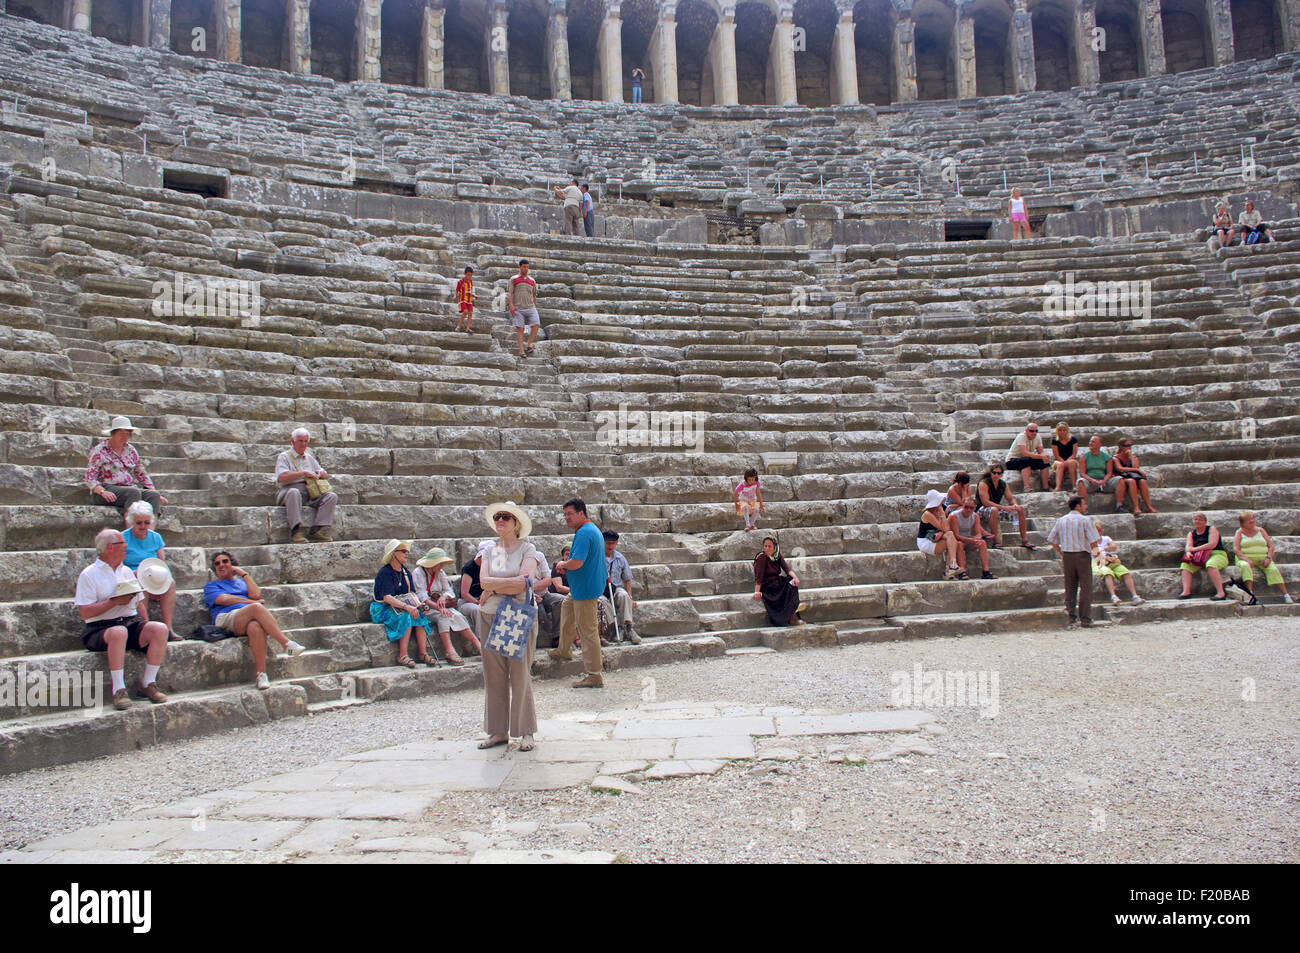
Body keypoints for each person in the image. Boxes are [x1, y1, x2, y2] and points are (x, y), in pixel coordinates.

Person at [75, 529, 171, 710]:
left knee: (159, 629)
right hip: (100, 627)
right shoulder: (89, 574)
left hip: (130, 621)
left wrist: (146, 625)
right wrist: (113, 602)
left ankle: (148, 683)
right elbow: (85, 613)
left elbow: (139, 603)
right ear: (110, 547)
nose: (127, 546)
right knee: (119, 632)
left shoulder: (126, 570)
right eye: (122, 543)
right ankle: (119, 689)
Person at [477, 502, 543, 750]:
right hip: (490, 612)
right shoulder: (490, 551)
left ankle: (525, 730)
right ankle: (498, 730)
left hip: (515, 612)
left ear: (516, 523)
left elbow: (523, 583)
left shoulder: (528, 549)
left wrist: (495, 586)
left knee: (519, 673)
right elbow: (483, 581)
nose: (500, 521)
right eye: (497, 517)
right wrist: (500, 584)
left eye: (505, 517)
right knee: (493, 675)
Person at [205, 551, 305, 689]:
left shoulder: (241, 582)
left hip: (245, 617)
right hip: (226, 618)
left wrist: (244, 574)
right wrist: (250, 602)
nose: (221, 565)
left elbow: (256, 594)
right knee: (256, 607)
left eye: (225, 561)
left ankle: (261, 675)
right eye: (217, 563)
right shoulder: (212, 586)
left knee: (255, 627)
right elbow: (223, 599)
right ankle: (286, 643)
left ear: (232, 564)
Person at [547, 498, 608, 689]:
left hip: (585, 590)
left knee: (588, 632)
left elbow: (577, 562)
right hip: (582, 587)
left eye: (570, 514)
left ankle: (594, 674)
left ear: (581, 513)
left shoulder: (583, 533)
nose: (566, 518)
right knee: (567, 609)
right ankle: (564, 649)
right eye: (565, 514)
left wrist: (562, 565)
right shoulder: (591, 530)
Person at [369, 539, 437, 669]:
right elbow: (387, 597)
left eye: (407, 551)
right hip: (382, 607)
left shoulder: (405, 572)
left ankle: (423, 653)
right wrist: (407, 607)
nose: (407, 554)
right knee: (406, 615)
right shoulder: (385, 572)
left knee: (420, 615)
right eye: (403, 551)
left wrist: (419, 606)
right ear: (394, 554)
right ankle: (402, 654)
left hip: (401, 604)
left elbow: (411, 593)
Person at [84, 415, 166, 516]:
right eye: (121, 433)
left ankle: (149, 529)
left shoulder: (130, 450)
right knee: (133, 492)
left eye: (127, 434)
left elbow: (141, 472)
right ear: (113, 434)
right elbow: (90, 478)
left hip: (127, 488)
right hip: (105, 489)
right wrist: (102, 491)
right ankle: (131, 527)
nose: (124, 437)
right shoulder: (100, 450)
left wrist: (152, 489)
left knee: (153, 495)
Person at [412, 547, 481, 665]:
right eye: (440, 564)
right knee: (443, 616)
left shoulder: (440, 573)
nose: (441, 567)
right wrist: (438, 607)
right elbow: (421, 595)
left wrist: (443, 597)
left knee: (456, 615)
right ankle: (449, 650)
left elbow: (448, 590)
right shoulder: (419, 573)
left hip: (441, 605)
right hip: (427, 607)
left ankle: (478, 645)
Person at [121, 501, 178, 641]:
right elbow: (119, 564)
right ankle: (144, 628)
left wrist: (159, 581)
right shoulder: (123, 537)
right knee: (142, 584)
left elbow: (161, 562)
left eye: (146, 523)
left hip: (153, 573)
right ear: (132, 521)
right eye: (138, 523)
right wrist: (133, 573)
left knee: (170, 584)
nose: (143, 526)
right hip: (132, 575)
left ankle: (169, 628)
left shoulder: (155, 537)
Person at [275, 428, 337, 543]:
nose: (303, 444)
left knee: (331, 496)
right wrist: (303, 474)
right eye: (300, 441)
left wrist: (321, 474)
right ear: (293, 442)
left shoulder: (309, 458)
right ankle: (295, 531)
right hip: (289, 492)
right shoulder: (284, 457)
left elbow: (324, 474)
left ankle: (316, 530)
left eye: (305, 441)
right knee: (294, 492)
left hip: (309, 492)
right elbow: (281, 477)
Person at [1047, 496, 1100, 628]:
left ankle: (1071, 616)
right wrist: (1098, 558)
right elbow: (1093, 541)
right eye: (1084, 504)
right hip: (1082, 555)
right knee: (1086, 587)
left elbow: (1052, 539)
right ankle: (1085, 618)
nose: (1085, 506)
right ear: (1078, 506)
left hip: (1068, 556)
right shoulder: (1085, 520)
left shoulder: (1061, 520)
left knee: (1070, 586)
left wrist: (1061, 552)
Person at [1232, 512, 1292, 605]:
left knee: (1273, 569)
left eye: (1252, 518)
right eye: (1249, 520)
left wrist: (1268, 558)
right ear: (1243, 523)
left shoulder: (1261, 531)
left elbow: (1271, 546)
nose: (1252, 521)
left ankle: (1286, 594)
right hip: (1245, 558)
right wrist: (1246, 559)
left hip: (1263, 558)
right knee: (1245, 566)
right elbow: (1236, 549)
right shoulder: (1239, 532)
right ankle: (1250, 593)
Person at [976, 467, 1035, 550]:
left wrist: (1015, 505)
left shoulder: (1003, 484)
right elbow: (985, 502)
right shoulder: (984, 483)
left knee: (1020, 509)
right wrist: (1004, 507)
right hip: (982, 509)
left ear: (1001, 475)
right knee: (994, 510)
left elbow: (1010, 498)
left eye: (999, 473)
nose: (996, 475)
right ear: (991, 473)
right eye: (994, 472)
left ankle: (1024, 540)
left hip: (997, 507)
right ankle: (996, 541)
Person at [599, 530, 640, 644]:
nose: (610, 546)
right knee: (601, 600)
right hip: (601, 589)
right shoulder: (597, 557)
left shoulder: (620, 558)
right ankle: (614, 628)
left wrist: (630, 597)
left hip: (616, 587)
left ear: (617, 543)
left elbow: (627, 580)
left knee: (623, 595)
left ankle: (628, 627)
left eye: (613, 543)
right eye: (608, 543)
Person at [753, 536, 805, 624]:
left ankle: (794, 609)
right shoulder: (761, 557)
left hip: (777, 581)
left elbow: (787, 568)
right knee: (782, 590)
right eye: (765, 546)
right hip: (768, 585)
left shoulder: (777, 555)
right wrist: (757, 591)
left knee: (792, 581)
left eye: (769, 546)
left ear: (774, 548)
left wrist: (795, 578)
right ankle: (794, 616)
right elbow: (759, 576)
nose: (767, 548)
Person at [1178, 512, 1229, 601]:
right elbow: (1188, 547)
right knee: (1185, 565)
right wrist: (1189, 553)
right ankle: (1186, 592)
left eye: (1200, 520)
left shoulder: (1211, 529)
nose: (1197, 521)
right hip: (1200, 556)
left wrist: (1194, 549)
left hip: (1216, 554)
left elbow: (1212, 544)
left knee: (1211, 564)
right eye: (1196, 519)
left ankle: (1221, 592)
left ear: (1205, 522)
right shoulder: (1191, 533)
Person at [1091, 521, 1143, 605]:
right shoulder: (1091, 541)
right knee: (1108, 573)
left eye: (1099, 530)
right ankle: (1113, 596)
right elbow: (1094, 553)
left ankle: (1135, 596)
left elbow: (1113, 546)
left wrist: (1105, 550)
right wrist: (1105, 557)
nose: (1098, 533)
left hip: (1109, 561)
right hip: (1097, 561)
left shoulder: (1106, 538)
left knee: (1125, 572)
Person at [948, 497, 996, 579]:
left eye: (971, 508)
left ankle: (986, 571)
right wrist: (971, 540)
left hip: (968, 540)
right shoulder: (954, 516)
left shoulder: (975, 516)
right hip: (956, 541)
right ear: (962, 506)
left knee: (982, 543)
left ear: (975, 508)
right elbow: (956, 535)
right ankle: (962, 571)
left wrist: (977, 539)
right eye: (966, 507)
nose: (968, 510)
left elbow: (978, 533)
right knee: (960, 544)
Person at [919, 489, 962, 579]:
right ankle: (950, 569)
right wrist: (942, 513)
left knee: (950, 536)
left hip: (937, 536)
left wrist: (942, 532)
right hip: (926, 542)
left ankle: (952, 566)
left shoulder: (941, 508)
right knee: (951, 542)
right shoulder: (927, 514)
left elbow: (946, 530)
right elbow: (944, 528)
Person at [1111, 438, 1157, 514]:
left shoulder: (1133, 457)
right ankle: (1136, 507)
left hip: (1133, 476)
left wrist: (1131, 457)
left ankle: (1149, 506)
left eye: (1130, 445)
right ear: (1121, 447)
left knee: (1142, 481)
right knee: (1131, 482)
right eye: (1127, 445)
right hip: (1122, 478)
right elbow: (1120, 469)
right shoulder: (1115, 458)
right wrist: (1136, 470)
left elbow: (1136, 466)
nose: (1129, 447)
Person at [1075, 435, 1123, 506]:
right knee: (1081, 482)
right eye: (1090, 441)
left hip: (1103, 482)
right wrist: (1092, 480)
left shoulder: (1107, 457)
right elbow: (1082, 473)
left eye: (1093, 442)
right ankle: (1084, 507)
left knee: (1120, 480)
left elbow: (1109, 473)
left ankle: (1119, 505)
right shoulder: (1084, 457)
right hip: (1090, 482)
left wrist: (1104, 480)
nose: (1090, 443)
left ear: (1100, 444)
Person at [508, 259, 541, 358]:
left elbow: (534, 295)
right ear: (520, 267)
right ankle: (521, 350)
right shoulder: (513, 279)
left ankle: (529, 344)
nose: (526, 269)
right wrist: (511, 306)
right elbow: (510, 293)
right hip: (518, 307)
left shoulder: (532, 280)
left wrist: (534, 305)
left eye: (527, 267)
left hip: (530, 307)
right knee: (520, 329)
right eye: (524, 267)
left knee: (536, 324)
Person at [539, 545, 570, 649]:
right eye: (567, 554)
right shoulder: (558, 566)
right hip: (527, 594)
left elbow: (547, 581)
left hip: (544, 594)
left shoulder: (539, 557)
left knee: (561, 601)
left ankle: (558, 636)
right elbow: (559, 587)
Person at [1006, 422, 1052, 492]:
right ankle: (1026, 487)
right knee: (1026, 460)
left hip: (1028, 459)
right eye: (1031, 431)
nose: (1034, 433)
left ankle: (1046, 487)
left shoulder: (1038, 437)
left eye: (1036, 431)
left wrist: (1045, 456)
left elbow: (1041, 451)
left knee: (1045, 462)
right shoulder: (1021, 436)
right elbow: (1024, 453)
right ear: (1026, 430)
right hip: (1012, 460)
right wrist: (1040, 456)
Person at [459, 538, 492, 634]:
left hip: (484, 598)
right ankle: (481, 639)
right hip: (467, 602)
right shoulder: (469, 568)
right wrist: (478, 602)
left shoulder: (490, 566)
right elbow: (464, 594)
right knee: (478, 610)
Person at [1049, 422, 1079, 493]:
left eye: (1064, 430)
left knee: (1071, 463)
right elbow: (1056, 455)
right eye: (1060, 430)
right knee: (1060, 464)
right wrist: (1063, 462)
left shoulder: (1073, 440)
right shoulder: (1055, 441)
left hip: (1070, 459)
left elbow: (1074, 454)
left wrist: (1067, 462)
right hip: (1059, 461)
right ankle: (1058, 487)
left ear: (1067, 431)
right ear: (1057, 431)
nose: (1062, 432)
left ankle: (1074, 486)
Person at [454, 266, 476, 333]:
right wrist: (455, 295)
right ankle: (458, 326)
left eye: (471, 275)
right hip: (463, 300)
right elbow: (457, 290)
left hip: (469, 301)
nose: (469, 276)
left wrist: (474, 296)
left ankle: (468, 328)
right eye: (468, 275)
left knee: (470, 313)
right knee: (465, 312)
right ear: (465, 274)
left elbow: (469, 292)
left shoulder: (470, 282)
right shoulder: (461, 282)